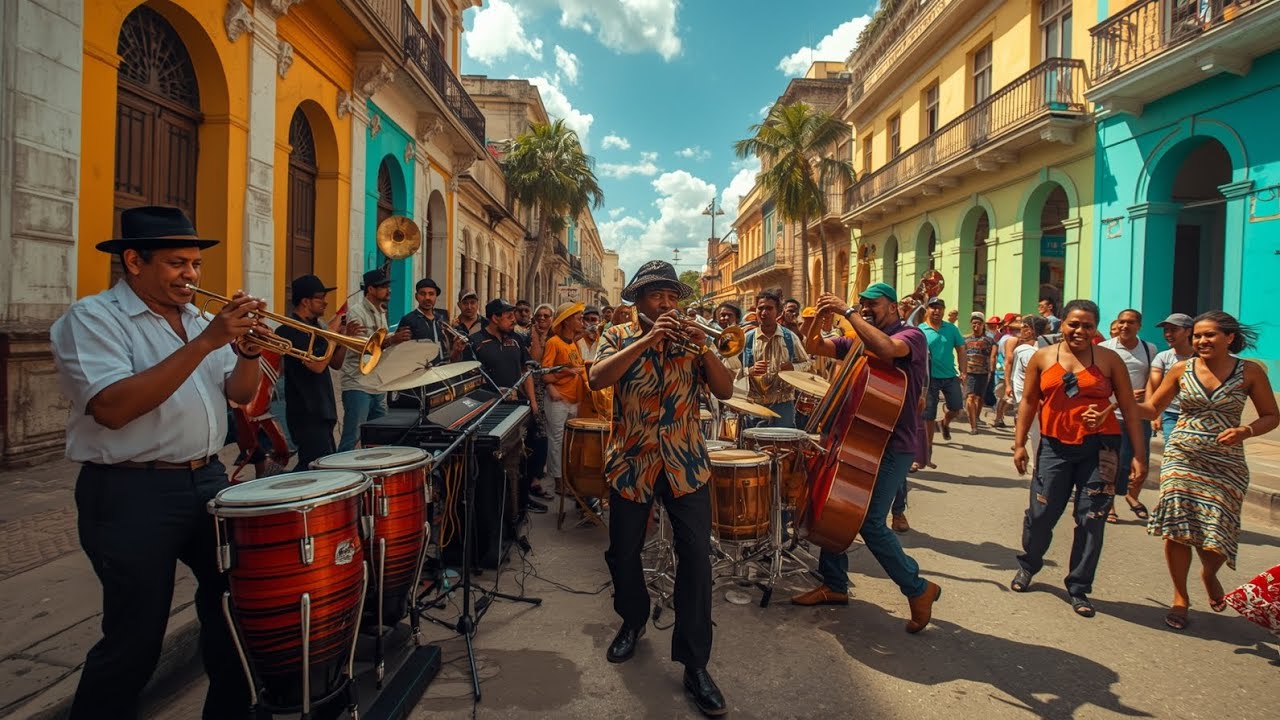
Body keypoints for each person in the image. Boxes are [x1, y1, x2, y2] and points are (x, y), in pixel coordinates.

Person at [50, 205, 260, 719]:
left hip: (207, 478)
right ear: (133, 262)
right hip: (129, 491)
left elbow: (239, 395)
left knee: (237, 609)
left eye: (196, 264)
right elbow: (112, 408)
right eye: (176, 263)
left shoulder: (199, 320)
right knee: (136, 638)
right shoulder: (93, 319)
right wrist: (208, 342)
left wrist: (250, 353)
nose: (191, 275)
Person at [588, 260, 735, 717]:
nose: (667, 303)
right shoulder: (617, 335)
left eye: (672, 296)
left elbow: (726, 391)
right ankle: (633, 620)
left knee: (696, 558)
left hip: (685, 463)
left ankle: (695, 664)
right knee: (622, 552)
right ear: (639, 300)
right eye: (657, 295)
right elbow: (596, 378)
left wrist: (704, 348)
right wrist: (647, 340)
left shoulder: (694, 339)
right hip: (632, 461)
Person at [791, 282, 942, 633]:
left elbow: (886, 348)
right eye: (863, 304)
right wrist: (819, 319)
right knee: (835, 508)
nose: (866, 308)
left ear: (893, 306)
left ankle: (918, 588)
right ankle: (834, 584)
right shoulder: (859, 338)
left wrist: (847, 312)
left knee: (871, 522)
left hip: (893, 445)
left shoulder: (912, 336)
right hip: (857, 438)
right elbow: (814, 346)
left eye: (873, 303)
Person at [1127, 312, 1277, 631]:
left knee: (1218, 532)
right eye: (1197, 336)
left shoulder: (1250, 371)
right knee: (1177, 528)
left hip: (1226, 463)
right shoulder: (1181, 369)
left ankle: (1209, 574)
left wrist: (1246, 431)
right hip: (1181, 456)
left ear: (1229, 337)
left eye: (1209, 335)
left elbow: (1271, 415)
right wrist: (1120, 401)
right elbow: (1152, 409)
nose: (1201, 341)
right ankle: (1180, 597)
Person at [1010, 299, 1147, 618]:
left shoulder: (1110, 360)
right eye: (1073, 324)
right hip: (1054, 447)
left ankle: (1079, 587)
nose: (1080, 331)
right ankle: (1029, 564)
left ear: (1096, 328)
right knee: (1042, 514)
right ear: (1062, 324)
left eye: (1088, 325)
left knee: (1091, 518)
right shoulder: (1043, 357)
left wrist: (1139, 455)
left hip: (1101, 449)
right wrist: (1019, 444)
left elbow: (1128, 406)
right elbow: (1029, 401)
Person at [466, 299, 546, 516]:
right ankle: (496, 508)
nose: (513, 320)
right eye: (509, 317)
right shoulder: (475, 342)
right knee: (494, 463)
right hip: (490, 412)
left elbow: (526, 371)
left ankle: (521, 503)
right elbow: (468, 380)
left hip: (517, 408)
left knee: (521, 458)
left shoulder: (516, 340)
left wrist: (533, 404)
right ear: (495, 318)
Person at [280, 274, 362, 470]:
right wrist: (332, 336)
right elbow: (317, 366)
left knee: (320, 465)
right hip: (305, 411)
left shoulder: (317, 327)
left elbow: (335, 363)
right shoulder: (290, 330)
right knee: (313, 468)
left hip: (323, 408)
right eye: (320, 298)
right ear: (305, 301)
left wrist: (345, 339)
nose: (325, 302)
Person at [338, 268, 410, 452]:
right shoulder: (356, 312)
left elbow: (379, 340)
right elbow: (363, 346)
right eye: (383, 286)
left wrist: (396, 339)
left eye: (388, 286)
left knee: (379, 435)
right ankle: (340, 466)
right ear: (370, 289)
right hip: (357, 382)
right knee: (352, 437)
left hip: (377, 383)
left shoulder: (381, 311)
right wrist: (392, 340)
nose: (388, 290)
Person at [1098, 309, 1159, 523]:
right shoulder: (1105, 348)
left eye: (1130, 322)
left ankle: (1132, 496)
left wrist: (1152, 408)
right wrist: (1123, 394)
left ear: (1139, 326)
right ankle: (1110, 505)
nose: (1125, 326)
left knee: (1141, 462)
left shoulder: (1149, 349)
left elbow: (1152, 380)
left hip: (1138, 414)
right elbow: (1099, 381)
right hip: (1111, 413)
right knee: (1112, 462)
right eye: (1121, 322)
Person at [741, 291, 808, 427]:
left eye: (769, 308)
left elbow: (808, 364)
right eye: (760, 308)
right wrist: (749, 371)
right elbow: (730, 370)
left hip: (783, 405)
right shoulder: (747, 338)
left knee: (783, 440)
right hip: (755, 405)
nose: (764, 312)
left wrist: (793, 367)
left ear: (778, 312)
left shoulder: (790, 337)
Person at [542, 302, 587, 494]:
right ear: (567, 321)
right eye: (578, 318)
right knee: (557, 441)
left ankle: (568, 479)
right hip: (559, 400)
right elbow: (545, 375)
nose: (582, 321)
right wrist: (566, 373)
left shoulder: (573, 343)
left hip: (573, 400)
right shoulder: (553, 343)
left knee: (569, 443)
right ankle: (559, 482)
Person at [920, 297, 965, 466]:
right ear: (927, 310)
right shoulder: (921, 330)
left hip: (950, 376)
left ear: (944, 311)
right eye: (933, 307)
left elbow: (961, 350)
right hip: (929, 378)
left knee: (956, 408)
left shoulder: (951, 329)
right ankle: (927, 452)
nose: (937, 311)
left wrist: (963, 371)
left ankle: (945, 423)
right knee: (928, 416)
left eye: (940, 308)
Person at [1004, 316, 1049, 476]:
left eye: (1023, 328)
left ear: (1030, 331)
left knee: (1036, 432)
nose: (1020, 331)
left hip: (1031, 399)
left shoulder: (1028, 351)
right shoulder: (1029, 350)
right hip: (1026, 398)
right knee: (1033, 431)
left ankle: (1038, 469)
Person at [1147, 313, 1195, 444]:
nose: (1168, 334)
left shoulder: (1202, 356)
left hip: (1197, 414)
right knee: (1173, 447)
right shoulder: (1162, 357)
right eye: (1166, 330)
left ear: (1188, 331)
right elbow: (1153, 385)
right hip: (1171, 414)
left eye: (1174, 330)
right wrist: (1154, 414)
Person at [396, 277, 456, 364]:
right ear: (416, 297)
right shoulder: (408, 320)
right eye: (422, 294)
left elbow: (448, 350)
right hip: (420, 370)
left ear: (436, 296)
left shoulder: (442, 319)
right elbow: (400, 352)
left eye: (431, 294)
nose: (427, 298)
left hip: (444, 369)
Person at [963, 313, 997, 434]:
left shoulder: (990, 341)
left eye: (978, 323)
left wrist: (991, 371)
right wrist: (961, 371)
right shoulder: (965, 340)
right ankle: (973, 426)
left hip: (983, 373)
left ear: (983, 325)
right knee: (970, 397)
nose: (976, 326)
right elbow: (961, 355)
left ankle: (976, 417)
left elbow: (993, 356)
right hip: (969, 373)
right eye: (974, 323)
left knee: (979, 397)